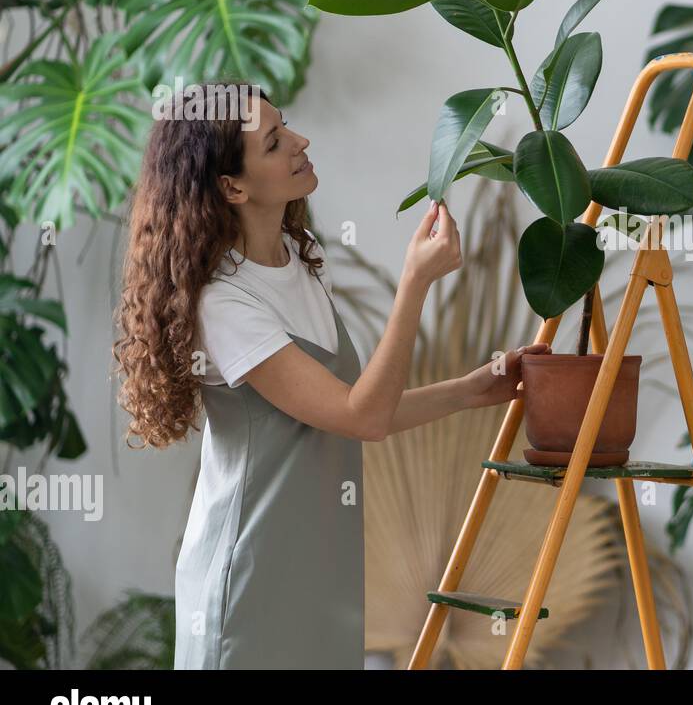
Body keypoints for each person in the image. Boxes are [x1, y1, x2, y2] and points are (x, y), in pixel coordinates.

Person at [111, 81, 549, 668]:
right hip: (252, 577)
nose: (300, 141)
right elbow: (360, 417)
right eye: (274, 142)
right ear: (232, 186)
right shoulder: (224, 304)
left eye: (285, 124)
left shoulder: (301, 258)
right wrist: (415, 283)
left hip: (322, 568)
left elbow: (348, 409)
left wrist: (473, 391)